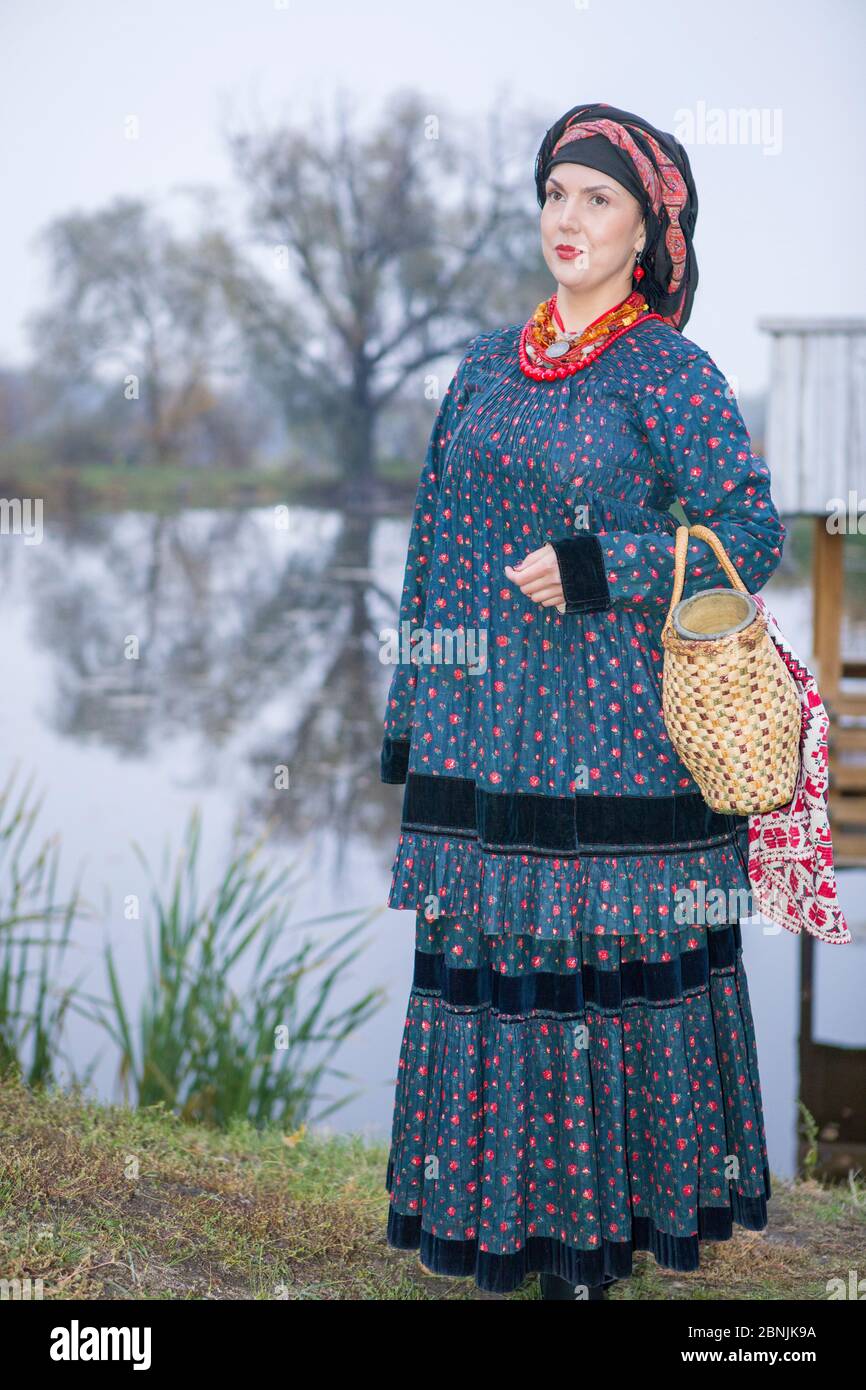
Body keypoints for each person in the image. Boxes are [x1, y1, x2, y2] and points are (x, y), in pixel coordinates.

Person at [379, 102, 783, 1300]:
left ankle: (594, 1255)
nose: (566, 216)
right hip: (486, 739)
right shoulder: (480, 366)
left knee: (599, 980)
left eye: (596, 198)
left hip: (617, 745)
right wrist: (416, 709)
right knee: (498, 974)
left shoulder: (667, 371)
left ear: (647, 232)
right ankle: (502, 1230)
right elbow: (431, 543)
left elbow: (751, 534)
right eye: (554, 192)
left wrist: (612, 564)